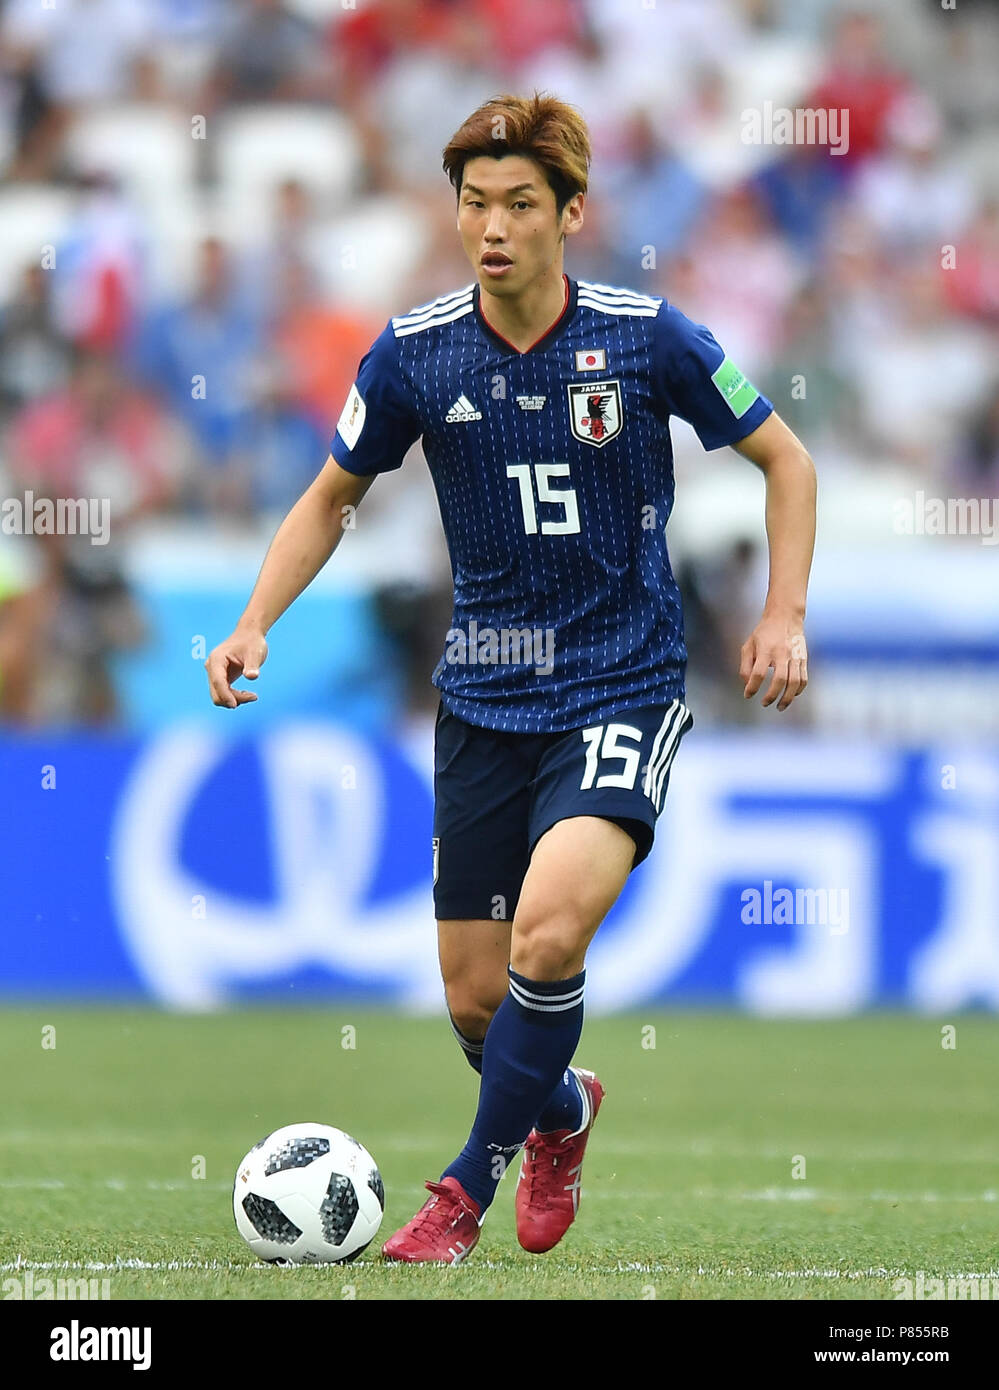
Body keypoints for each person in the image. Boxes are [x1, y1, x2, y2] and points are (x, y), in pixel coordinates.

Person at [204, 92, 816, 1265]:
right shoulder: (416, 351)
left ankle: (458, 1197)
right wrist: (253, 622)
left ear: (571, 212)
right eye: (475, 203)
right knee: (480, 1002)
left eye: (519, 204)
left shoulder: (648, 338)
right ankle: (563, 1111)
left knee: (547, 939)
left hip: (622, 683)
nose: (492, 226)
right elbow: (334, 495)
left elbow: (786, 461)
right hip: (484, 697)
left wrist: (783, 613)